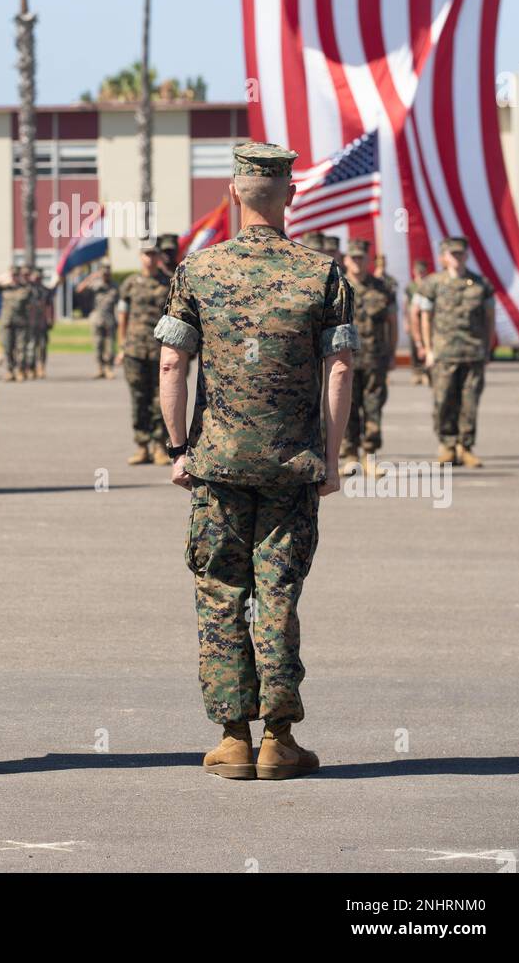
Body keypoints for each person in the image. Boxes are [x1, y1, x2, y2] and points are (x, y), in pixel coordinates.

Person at [156, 140, 357, 781]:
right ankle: (279, 739)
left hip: (217, 466)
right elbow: (341, 368)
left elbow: (171, 363)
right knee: (278, 596)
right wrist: (329, 457)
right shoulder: (322, 274)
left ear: (235, 193)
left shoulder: (198, 271)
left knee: (220, 594)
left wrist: (178, 448)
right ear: (289, 193)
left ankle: (232, 738)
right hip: (291, 467)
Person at [416, 236, 494, 467]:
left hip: (473, 353)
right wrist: (428, 349)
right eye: (452, 254)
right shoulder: (433, 283)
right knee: (443, 401)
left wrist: (487, 348)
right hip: (444, 353)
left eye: (461, 253)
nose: (457, 258)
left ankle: (466, 446)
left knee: (470, 402)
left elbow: (489, 319)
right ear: (444, 257)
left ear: (467, 255)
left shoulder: (481, 284)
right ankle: (447, 445)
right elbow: (425, 317)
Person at [339, 238, 397, 474]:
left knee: (373, 408)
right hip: (345, 359)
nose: (357, 262)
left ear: (367, 260)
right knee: (347, 407)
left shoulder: (382, 288)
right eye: (353, 258)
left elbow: (392, 324)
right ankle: (350, 454)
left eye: (361, 258)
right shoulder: (338, 287)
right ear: (346, 260)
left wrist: (392, 354)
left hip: (374, 359)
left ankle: (370, 455)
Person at [116, 240, 171, 465]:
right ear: (140, 256)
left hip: (160, 350)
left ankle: (159, 445)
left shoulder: (168, 283)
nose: (149, 258)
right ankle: (142, 445)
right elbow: (122, 316)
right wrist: (121, 346)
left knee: (161, 400)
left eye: (153, 254)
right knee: (139, 399)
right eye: (146, 254)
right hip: (135, 350)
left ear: (158, 257)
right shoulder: (130, 284)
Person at [0, 265, 32, 381]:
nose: (15, 277)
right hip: (6, 323)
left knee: (21, 348)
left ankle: (20, 370)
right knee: (7, 348)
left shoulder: (25, 288)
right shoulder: (4, 288)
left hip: (21, 323)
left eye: (17, 275)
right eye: (13, 275)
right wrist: (1, 278)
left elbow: (28, 302)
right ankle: (9, 371)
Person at [75, 262, 119, 378]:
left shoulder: (115, 286)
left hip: (110, 318)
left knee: (110, 346)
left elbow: (119, 304)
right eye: (103, 273)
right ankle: (100, 368)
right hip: (97, 318)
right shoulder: (95, 285)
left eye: (107, 272)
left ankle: (109, 369)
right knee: (98, 345)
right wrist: (92, 277)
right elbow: (79, 289)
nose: (106, 275)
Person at [404, 258, 430, 384]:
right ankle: (416, 372)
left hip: (426, 321)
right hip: (413, 320)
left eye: (422, 271)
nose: (420, 273)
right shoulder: (410, 286)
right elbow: (406, 305)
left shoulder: (429, 286)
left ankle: (425, 372)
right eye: (418, 271)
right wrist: (406, 322)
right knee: (414, 347)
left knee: (426, 345)